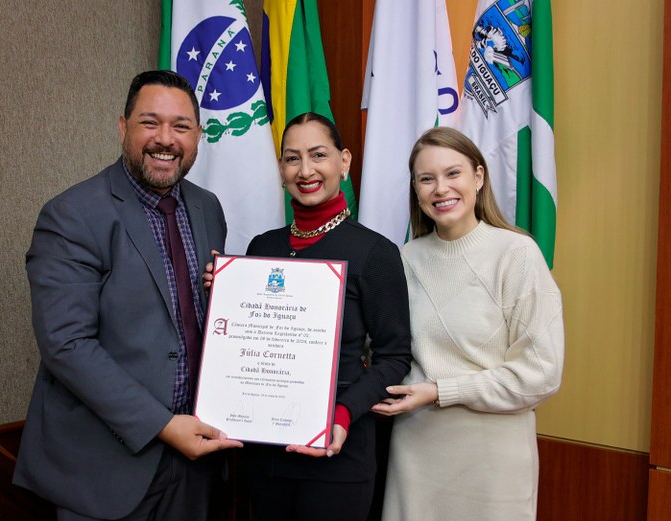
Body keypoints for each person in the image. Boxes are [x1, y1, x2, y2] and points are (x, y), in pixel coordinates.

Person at [13, 70, 242, 521]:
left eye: (181, 126)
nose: (166, 139)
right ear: (123, 128)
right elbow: (67, 344)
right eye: (149, 122)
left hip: (199, 456)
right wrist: (161, 425)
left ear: (198, 135)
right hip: (108, 466)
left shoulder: (207, 207)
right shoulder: (72, 215)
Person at [372, 127, 565, 520]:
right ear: (416, 189)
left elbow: (541, 373)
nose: (441, 188)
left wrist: (442, 391)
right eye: (427, 179)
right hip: (415, 455)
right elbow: (379, 351)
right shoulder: (402, 260)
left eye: (453, 173)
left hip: (494, 465)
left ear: (478, 177)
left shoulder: (517, 254)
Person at [241, 112, 413, 521]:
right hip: (264, 456)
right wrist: (226, 289)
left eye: (318, 155)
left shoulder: (376, 254)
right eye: (291, 158)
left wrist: (342, 413)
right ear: (281, 169)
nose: (305, 171)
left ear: (345, 162)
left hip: (339, 452)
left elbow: (395, 357)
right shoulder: (261, 248)